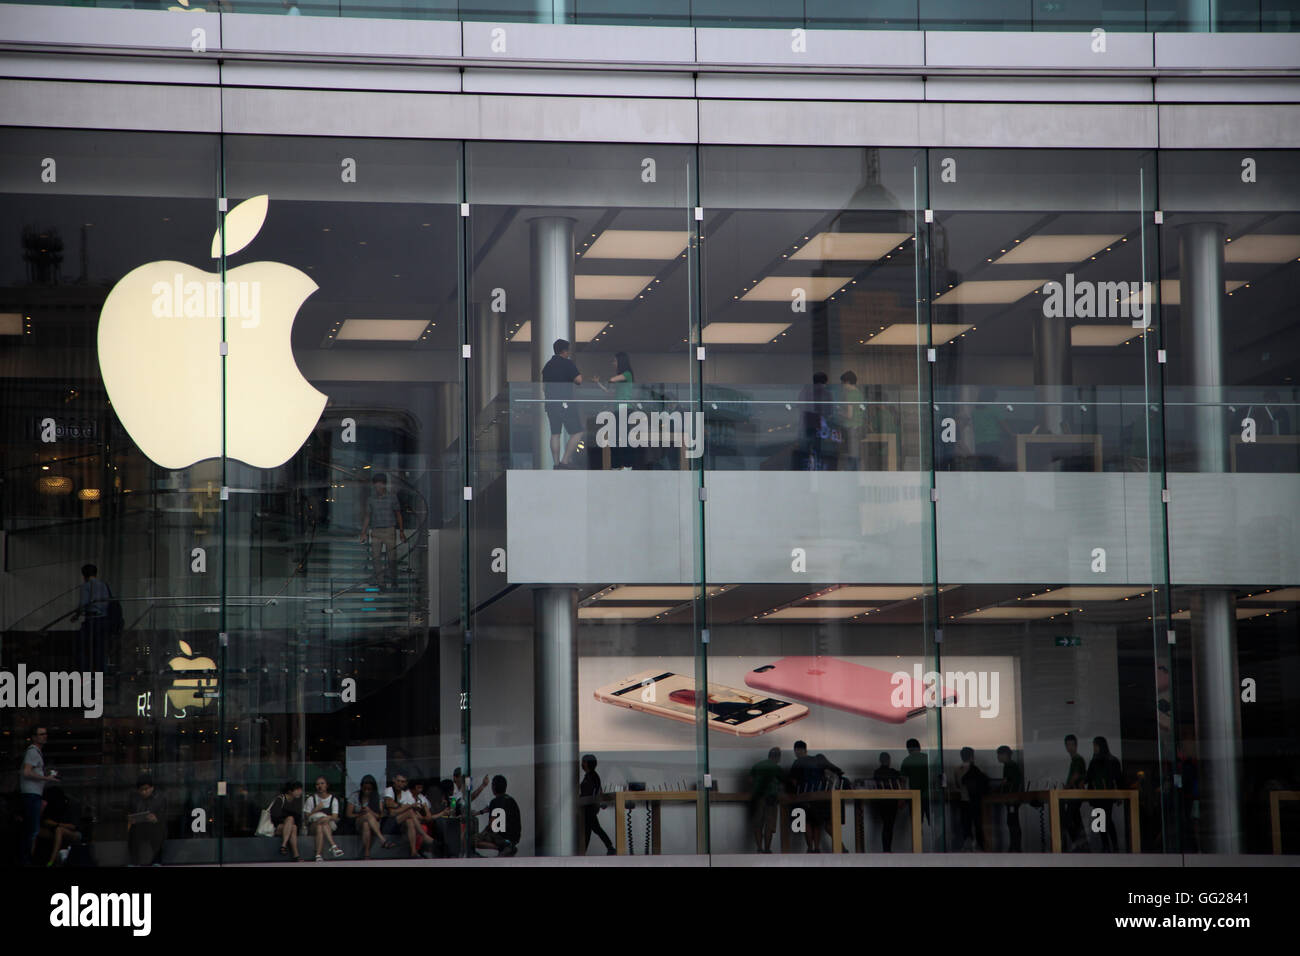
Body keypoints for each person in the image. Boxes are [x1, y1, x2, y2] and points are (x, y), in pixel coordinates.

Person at [789, 740, 843, 852]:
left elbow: (793, 782)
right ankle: (817, 848)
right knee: (817, 822)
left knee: (807, 822)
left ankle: (810, 848)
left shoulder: (797, 763)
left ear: (796, 750)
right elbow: (838, 771)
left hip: (804, 796)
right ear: (806, 750)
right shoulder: (819, 759)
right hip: (820, 797)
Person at [542, 338, 586, 469]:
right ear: (564, 351)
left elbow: (543, 387)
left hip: (551, 404)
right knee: (577, 432)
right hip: (565, 403)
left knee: (555, 433)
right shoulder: (568, 363)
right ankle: (565, 461)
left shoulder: (547, 365)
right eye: (568, 350)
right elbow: (579, 380)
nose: (569, 353)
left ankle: (556, 463)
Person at [19, 725, 58, 866]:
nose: (44, 736)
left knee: (31, 830)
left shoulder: (36, 752)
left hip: (33, 795)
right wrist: (46, 779)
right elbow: (27, 772)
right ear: (34, 737)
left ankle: (27, 859)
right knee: (32, 831)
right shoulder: (32, 752)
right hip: (31, 795)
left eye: (45, 733)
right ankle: (26, 860)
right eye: (41, 734)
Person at [359, 473, 404, 589]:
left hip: (389, 529)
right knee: (375, 558)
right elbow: (367, 516)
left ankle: (394, 581)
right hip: (376, 531)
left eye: (379, 485)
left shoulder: (392, 497)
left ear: (384, 485)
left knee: (392, 557)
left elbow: (398, 514)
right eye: (375, 485)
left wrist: (401, 531)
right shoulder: (371, 499)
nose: (377, 488)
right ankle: (381, 583)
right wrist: (363, 532)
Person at [594, 352, 636, 468]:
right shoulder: (623, 378)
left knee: (623, 436)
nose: (613, 363)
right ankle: (619, 464)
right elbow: (610, 392)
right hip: (619, 409)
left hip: (625, 408)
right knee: (616, 436)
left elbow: (612, 379)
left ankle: (627, 464)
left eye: (615, 361)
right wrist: (598, 384)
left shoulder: (627, 374)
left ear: (621, 362)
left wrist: (610, 381)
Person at [383, 773, 437, 858]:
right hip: (389, 823)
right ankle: (424, 836)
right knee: (410, 812)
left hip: (401, 824)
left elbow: (419, 813)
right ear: (394, 781)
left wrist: (400, 807)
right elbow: (392, 813)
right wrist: (406, 806)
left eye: (403, 782)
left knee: (410, 821)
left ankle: (413, 851)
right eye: (398, 781)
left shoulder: (405, 794)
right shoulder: (390, 790)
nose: (400, 784)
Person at [1087, 736, 1124, 852]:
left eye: (1095, 745)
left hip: (1106, 795)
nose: (1094, 748)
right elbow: (1089, 777)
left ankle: (1111, 845)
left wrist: (1119, 794)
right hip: (1099, 796)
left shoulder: (1110, 761)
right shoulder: (1096, 761)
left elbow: (1118, 779)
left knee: (1105, 819)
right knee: (1102, 820)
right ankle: (1108, 845)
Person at [72, 563, 111, 673]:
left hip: (91, 620)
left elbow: (83, 604)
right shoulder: (103, 585)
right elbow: (107, 602)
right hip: (103, 619)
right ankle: (102, 672)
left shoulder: (86, 586)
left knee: (85, 648)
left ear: (84, 575)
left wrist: (77, 615)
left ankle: (86, 672)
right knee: (100, 648)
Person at [747, 747, 783, 853]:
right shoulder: (777, 768)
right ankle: (767, 849)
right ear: (778, 758)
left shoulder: (757, 766)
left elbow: (750, 780)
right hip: (771, 799)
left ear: (769, 755)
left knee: (758, 824)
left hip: (758, 798)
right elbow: (782, 784)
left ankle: (759, 848)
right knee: (769, 825)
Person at [474, 775, 521, 856]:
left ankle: (501, 847)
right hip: (514, 838)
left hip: (500, 838)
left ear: (493, 787)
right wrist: (479, 812)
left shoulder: (494, 802)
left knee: (472, 841)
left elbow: (492, 826)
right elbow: (489, 809)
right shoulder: (511, 800)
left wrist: (482, 835)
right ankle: (507, 846)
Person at [579, 754, 616, 855]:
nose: (582, 764)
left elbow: (592, 792)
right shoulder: (590, 776)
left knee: (593, 829)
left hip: (589, 808)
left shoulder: (592, 776)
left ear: (587, 763)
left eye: (583, 762)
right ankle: (608, 847)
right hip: (588, 808)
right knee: (590, 830)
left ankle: (610, 847)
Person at [127, 775, 167, 867]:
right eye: (141, 790)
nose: (144, 792)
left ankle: (157, 860)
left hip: (154, 827)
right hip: (139, 826)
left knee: (158, 832)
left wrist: (156, 818)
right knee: (133, 832)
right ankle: (134, 861)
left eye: (146, 789)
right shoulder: (134, 798)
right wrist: (131, 819)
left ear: (152, 788)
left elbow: (164, 816)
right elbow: (128, 812)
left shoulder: (160, 798)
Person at [39, 786, 82, 867]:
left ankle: (51, 861)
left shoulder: (73, 804)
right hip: (54, 830)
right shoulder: (51, 805)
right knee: (35, 831)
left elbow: (74, 826)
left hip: (74, 833)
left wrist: (56, 824)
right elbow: (45, 821)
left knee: (59, 830)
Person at [954, 747, 988, 851]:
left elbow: (957, 785)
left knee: (965, 825)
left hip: (963, 800)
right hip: (975, 801)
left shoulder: (957, 769)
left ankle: (967, 845)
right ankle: (979, 846)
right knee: (978, 824)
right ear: (972, 757)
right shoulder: (978, 769)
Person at [304, 776, 344, 861]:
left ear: (327, 785)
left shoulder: (333, 799)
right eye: (317, 784)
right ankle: (334, 846)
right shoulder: (311, 799)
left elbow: (335, 816)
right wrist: (316, 809)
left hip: (327, 825)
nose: (320, 786)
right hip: (312, 826)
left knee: (321, 826)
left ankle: (318, 855)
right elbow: (306, 817)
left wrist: (327, 817)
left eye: (322, 783)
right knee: (319, 825)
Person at [347, 774, 384, 859]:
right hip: (358, 820)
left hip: (374, 823)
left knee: (366, 824)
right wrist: (361, 813)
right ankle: (382, 839)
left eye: (369, 789)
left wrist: (369, 811)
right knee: (366, 817)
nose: (367, 791)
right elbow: (348, 814)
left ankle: (366, 853)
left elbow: (379, 816)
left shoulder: (378, 797)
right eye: (365, 789)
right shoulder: (355, 796)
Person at [872, 752, 904, 852]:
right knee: (889, 826)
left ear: (880, 761)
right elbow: (901, 784)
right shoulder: (894, 773)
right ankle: (887, 850)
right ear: (889, 761)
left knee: (886, 826)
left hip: (881, 803)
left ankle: (886, 849)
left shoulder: (876, 772)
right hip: (891, 803)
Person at [995, 745, 1023, 852]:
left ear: (1005, 755)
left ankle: (1015, 846)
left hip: (1012, 798)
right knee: (1012, 821)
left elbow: (1008, 782)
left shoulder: (1010, 766)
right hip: (1012, 798)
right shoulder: (1010, 765)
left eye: (999, 755)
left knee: (1012, 821)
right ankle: (1015, 845)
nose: (998, 757)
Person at [1062, 734, 1087, 850]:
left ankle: (1078, 844)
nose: (1070, 747)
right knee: (1076, 820)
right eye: (1068, 745)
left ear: (1076, 746)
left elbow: (1076, 775)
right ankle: (1083, 845)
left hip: (1075, 794)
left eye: (1072, 744)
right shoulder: (1075, 760)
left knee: (1069, 820)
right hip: (1075, 794)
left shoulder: (1077, 759)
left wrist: (1067, 787)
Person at [269, 781, 304, 861]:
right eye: (297, 790)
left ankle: (287, 848)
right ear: (290, 791)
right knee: (290, 819)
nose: (300, 792)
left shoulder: (297, 801)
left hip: (288, 828)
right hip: (276, 827)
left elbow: (298, 817)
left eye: (300, 789)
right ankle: (292, 852)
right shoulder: (280, 799)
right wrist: (287, 817)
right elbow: (275, 816)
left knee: (294, 827)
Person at [899, 738, 930, 824]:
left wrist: (902, 799)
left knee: (916, 825)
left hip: (914, 796)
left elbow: (903, 782)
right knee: (934, 823)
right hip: (929, 795)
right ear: (919, 747)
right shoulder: (928, 759)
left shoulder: (907, 761)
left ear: (908, 749)